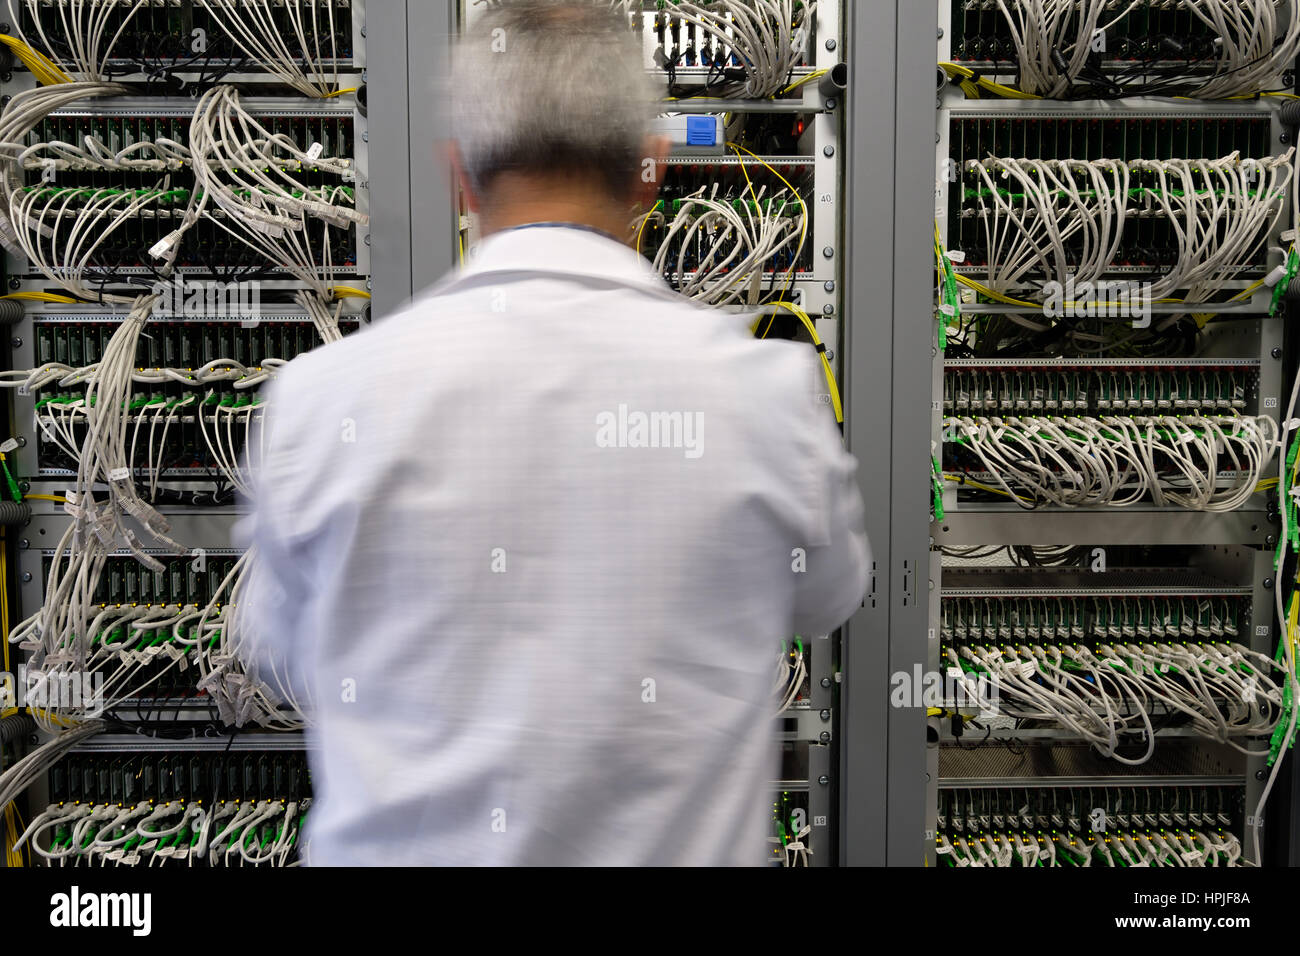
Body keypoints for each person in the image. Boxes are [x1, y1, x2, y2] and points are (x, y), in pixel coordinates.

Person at [239, 0, 869, 866]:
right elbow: (833, 595)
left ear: (458, 175)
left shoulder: (316, 404)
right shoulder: (765, 397)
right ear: (652, 169)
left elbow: (279, 660)